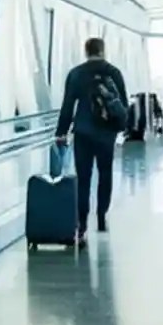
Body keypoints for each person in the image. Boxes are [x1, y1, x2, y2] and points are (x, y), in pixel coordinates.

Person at [55, 37, 128, 243]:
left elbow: (68, 105)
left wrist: (61, 132)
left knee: (84, 177)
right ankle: (102, 215)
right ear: (103, 50)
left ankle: (82, 222)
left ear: (86, 51)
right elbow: (123, 103)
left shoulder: (77, 74)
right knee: (105, 173)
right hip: (106, 133)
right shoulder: (114, 73)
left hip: (83, 132)